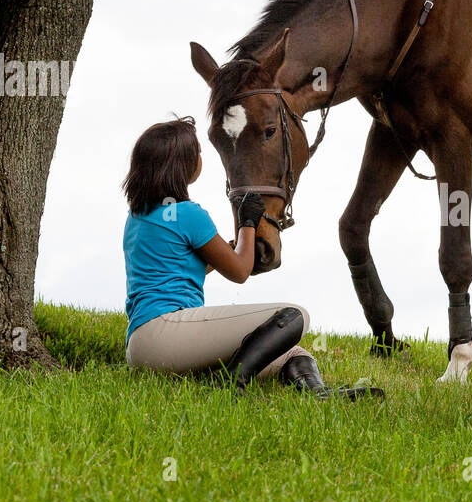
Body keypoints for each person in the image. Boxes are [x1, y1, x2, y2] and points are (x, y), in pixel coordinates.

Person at [120, 116, 381, 401]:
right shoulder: (188, 214)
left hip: (141, 346)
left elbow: (182, 266)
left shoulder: (138, 217)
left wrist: (229, 247)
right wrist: (247, 223)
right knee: (294, 316)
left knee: (292, 352)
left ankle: (317, 394)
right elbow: (240, 271)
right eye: (198, 152)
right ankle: (232, 384)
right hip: (168, 334)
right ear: (182, 163)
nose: (201, 158)